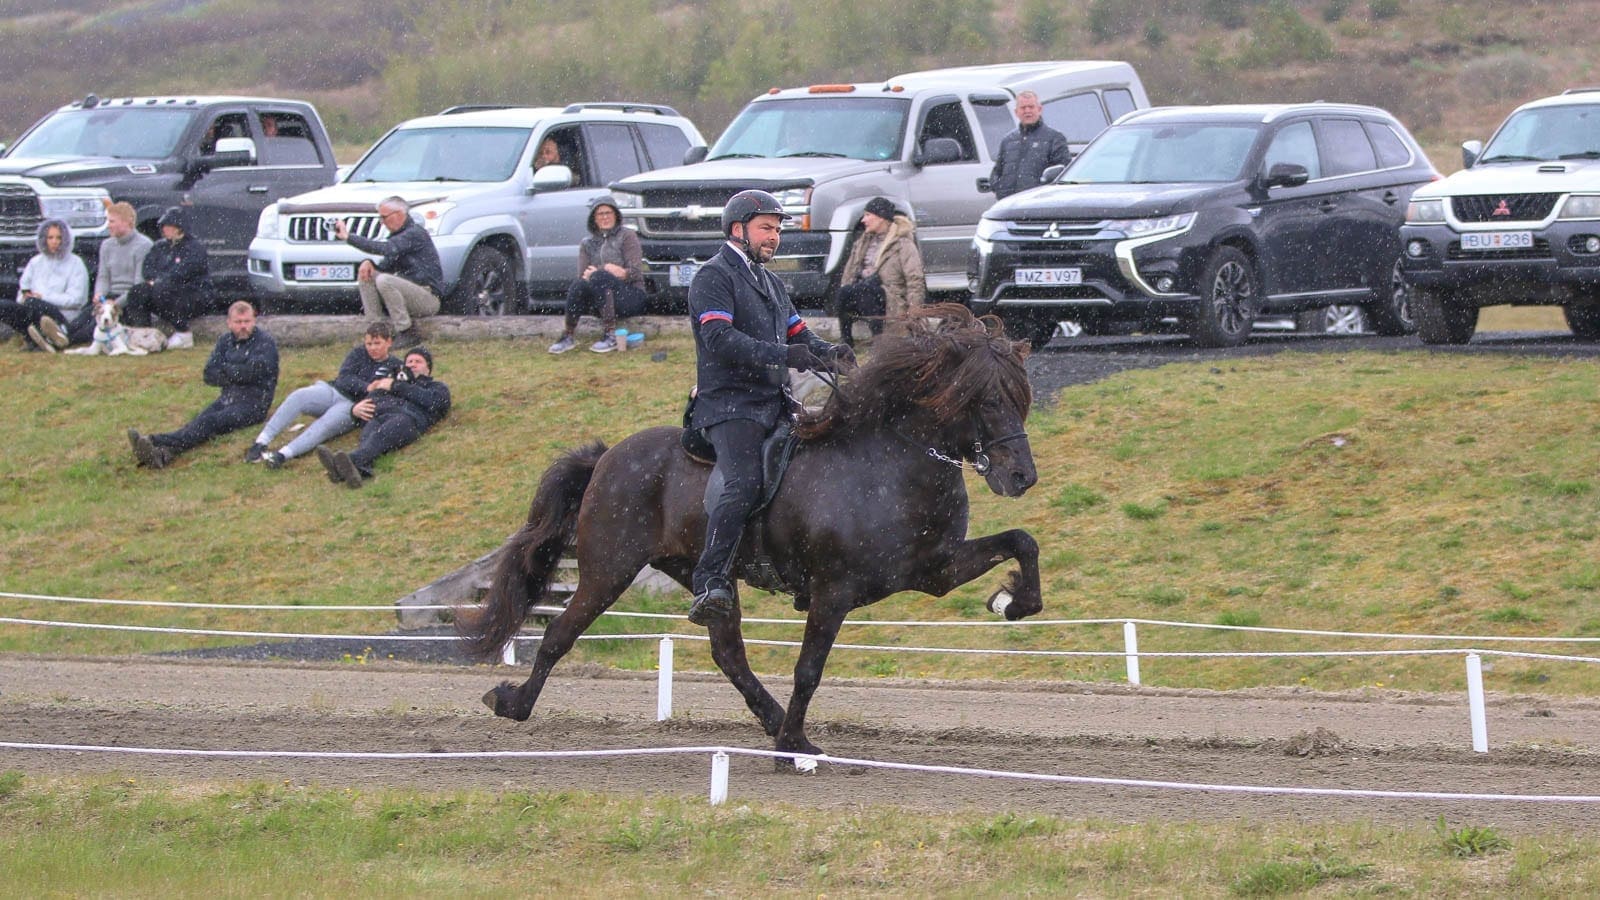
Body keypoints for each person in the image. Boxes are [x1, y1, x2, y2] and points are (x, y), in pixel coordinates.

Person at [685, 189, 854, 626]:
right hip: (729, 406)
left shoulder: (773, 284)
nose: (774, 237)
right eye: (766, 228)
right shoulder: (713, 277)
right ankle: (710, 580)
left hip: (773, 403)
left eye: (777, 230)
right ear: (737, 229)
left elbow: (800, 337)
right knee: (743, 483)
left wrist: (831, 352)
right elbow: (720, 339)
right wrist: (783, 355)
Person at [128, 301, 278, 470]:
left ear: (254, 320)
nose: (243, 326)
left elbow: (251, 373)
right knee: (196, 423)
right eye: (238, 322)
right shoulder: (225, 341)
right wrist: (236, 372)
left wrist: (226, 369)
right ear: (229, 323)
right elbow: (209, 374)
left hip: (253, 405)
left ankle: (154, 440)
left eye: (247, 321)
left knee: (209, 422)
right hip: (228, 398)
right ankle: (162, 454)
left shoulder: (265, 343)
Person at [245, 321, 403, 469]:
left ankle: (282, 455)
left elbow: (389, 396)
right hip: (333, 390)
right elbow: (344, 377)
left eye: (377, 343)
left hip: (352, 406)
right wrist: (367, 386)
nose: (372, 348)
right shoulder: (358, 353)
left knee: (324, 425)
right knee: (298, 396)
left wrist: (361, 406)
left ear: (389, 342)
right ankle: (261, 442)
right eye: (369, 344)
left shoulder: (396, 366)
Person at [316, 346, 450, 489]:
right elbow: (371, 399)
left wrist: (397, 386)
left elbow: (435, 402)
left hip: (408, 419)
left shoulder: (436, 386)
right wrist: (355, 411)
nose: (412, 364)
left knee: (379, 437)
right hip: (378, 416)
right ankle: (358, 472)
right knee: (369, 438)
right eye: (409, 361)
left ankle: (343, 464)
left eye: (418, 361)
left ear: (428, 369)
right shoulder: (388, 384)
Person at [335, 196, 443, 349]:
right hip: (410, 294)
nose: (382, 222)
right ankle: (376, 331)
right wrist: (369, 263)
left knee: (384, 280)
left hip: (428, 299)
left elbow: (386, 249)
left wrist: (348, 237)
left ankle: (406, 332)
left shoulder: (414, 233)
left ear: (399, 214)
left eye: (384, 217)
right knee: (367, 274)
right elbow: (385, 266)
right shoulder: (397, 237)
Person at [548, 195, 647, 354]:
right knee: (579, 285)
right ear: (594, 219)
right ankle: (568, 335)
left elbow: (634, 272)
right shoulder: (587, 243)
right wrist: (606, 269)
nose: (605, 217)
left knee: (599, 277)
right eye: (600, 214)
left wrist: (608, 272)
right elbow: (584, 275)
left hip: (630, 296)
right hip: (601, 299)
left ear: (616, 215)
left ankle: (611, 334)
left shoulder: (627, 236)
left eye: (608, 213)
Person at [835, 196, 926, 346]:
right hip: (862, 293)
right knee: (844, 293)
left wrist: (913, 312)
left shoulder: (903, 244)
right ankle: (846, 342)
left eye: (867, 215)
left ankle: (879, 343)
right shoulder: (862, 242)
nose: (863, 220)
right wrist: (848, 290)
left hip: (890, 299)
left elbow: (915, 280)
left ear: (881, 218)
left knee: (868, 292)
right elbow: (849, 273)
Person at [122, 206, 214, 349]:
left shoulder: (195, 248)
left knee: (162, 289)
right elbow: (148, 269)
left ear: (179, 228)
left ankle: (183, 333)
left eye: (168, 226)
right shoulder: (159, 247)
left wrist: (161, 281)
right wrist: (157, 281)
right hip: (161, 291)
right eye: (163, 226)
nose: (164, 229)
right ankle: (143, 333)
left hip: (192, 295)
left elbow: (183, 272)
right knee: (138, 291)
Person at [0, 218, 87, 352]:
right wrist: (25, 297)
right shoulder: (35, 262)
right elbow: (23, 290)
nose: (54, 241)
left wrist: (43, 298)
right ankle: (33, 338)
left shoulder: (76, 263)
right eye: (50, 237)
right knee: (4, 306)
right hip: (32, 308)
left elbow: (77, 300)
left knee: (34, 303)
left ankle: (53, 336)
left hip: (61, 315)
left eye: (58, 237)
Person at [90, 200, 154, 346]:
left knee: (97, 325)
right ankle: (61, 334)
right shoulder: (106, 245)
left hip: (128, 299)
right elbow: (103, 276)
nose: (108, 225)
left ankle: (62, 338)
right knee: (85, 318)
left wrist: (114, 304)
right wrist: (99, 295)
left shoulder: (143, 245)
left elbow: (138, 285)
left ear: (126, 222)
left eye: (112, 221)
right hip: (108, 298)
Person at [989, 90, 1071, 200]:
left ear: (1039, 109)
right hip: (1008, 204)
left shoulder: (1055, 138)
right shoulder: (1008, 141)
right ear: (1016, 112)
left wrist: (1041, 191)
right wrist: (999, 187)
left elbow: (1063, 172)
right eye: (1023, 108)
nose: (1027, 111)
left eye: (1031, 107)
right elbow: (996, 173)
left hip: (1037, 204)